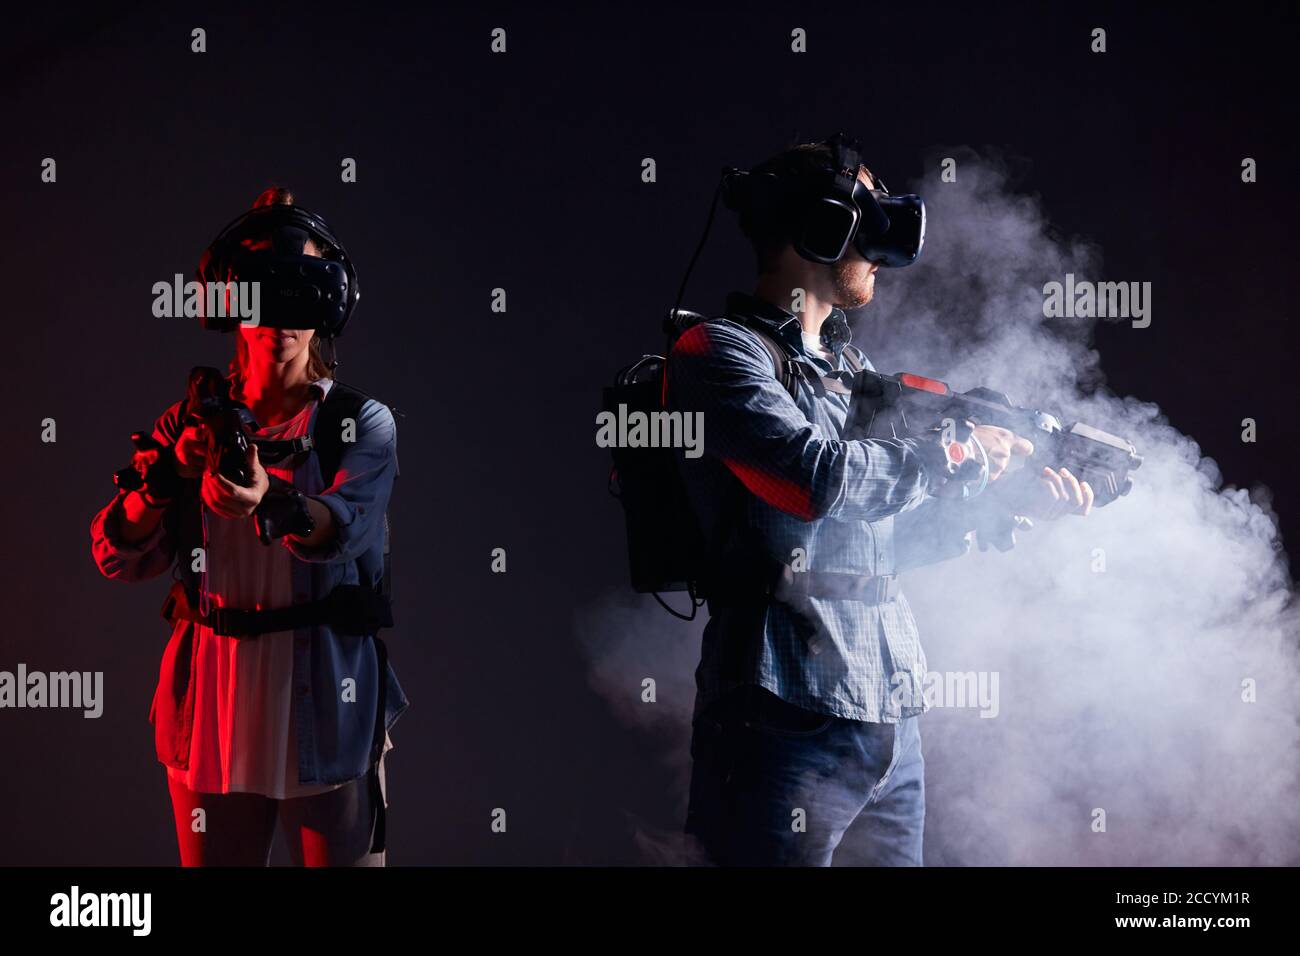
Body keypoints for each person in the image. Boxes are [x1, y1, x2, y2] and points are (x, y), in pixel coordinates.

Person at [666, 138, 1093, 866]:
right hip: (779, 716)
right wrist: (955, 453)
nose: (876, 249)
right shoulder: (716, 353)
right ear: (821, 227)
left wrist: (995, 513)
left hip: (889, 716)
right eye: (860, 221)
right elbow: (814, 482)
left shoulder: (850, 369)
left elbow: (880, 539)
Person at [90, 187, 407, 866]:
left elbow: (342, 530)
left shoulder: (356, 423)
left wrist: (271, 498)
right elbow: (115, 554)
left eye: (303, 290)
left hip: (324, 696)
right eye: (264, 289)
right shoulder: (189, 423)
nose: (281, 315)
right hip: (212, 704)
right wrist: (168, 475)